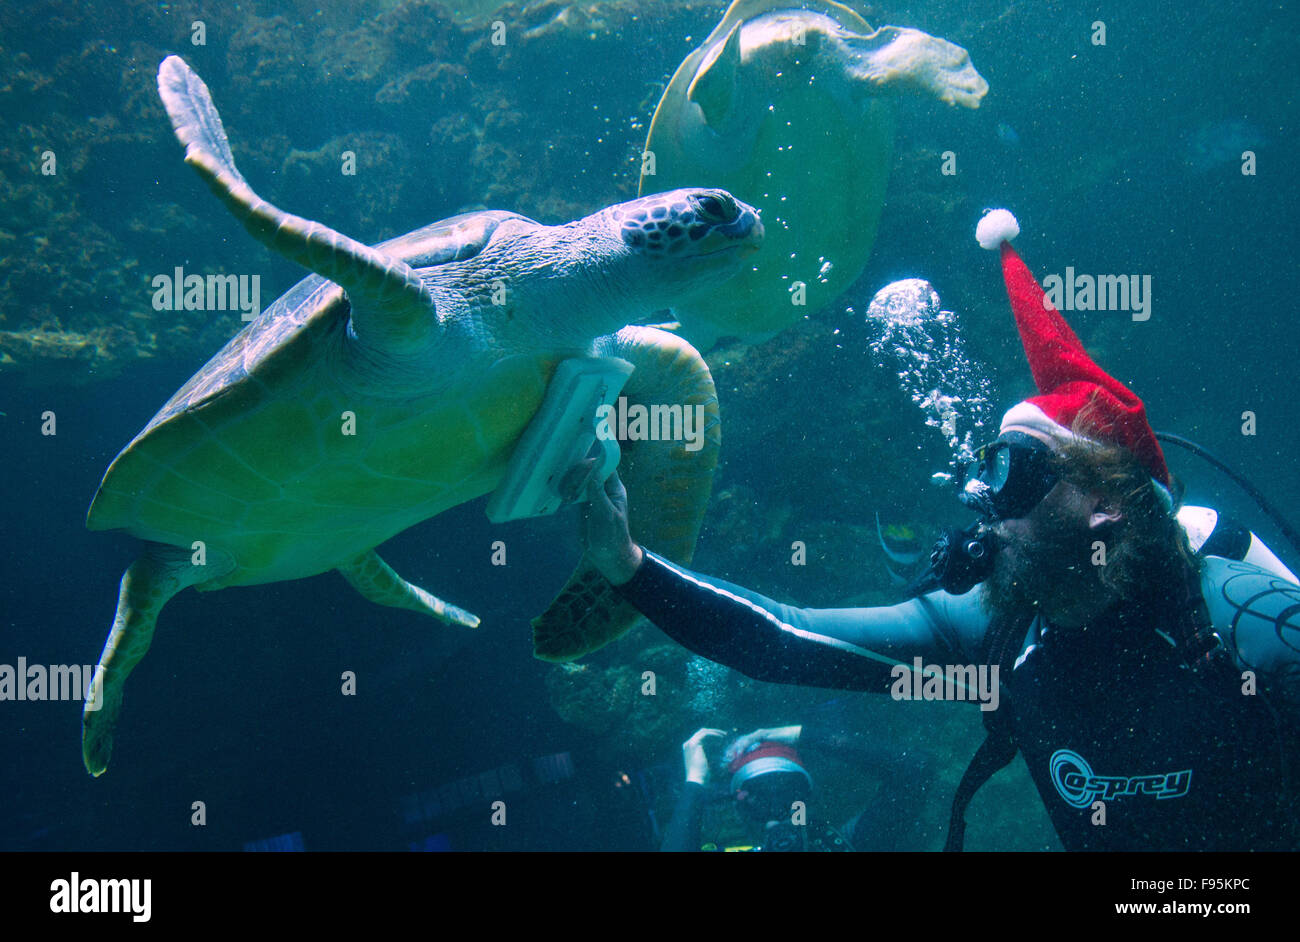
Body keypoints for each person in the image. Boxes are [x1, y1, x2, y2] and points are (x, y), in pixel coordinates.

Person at [579, 211, 1300, 851]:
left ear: (1106, 502)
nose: (984, 501)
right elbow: (781, 640)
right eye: (984, 471)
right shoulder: (995, 637)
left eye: (1014, 471)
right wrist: (629, 565)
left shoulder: (1250, 630)